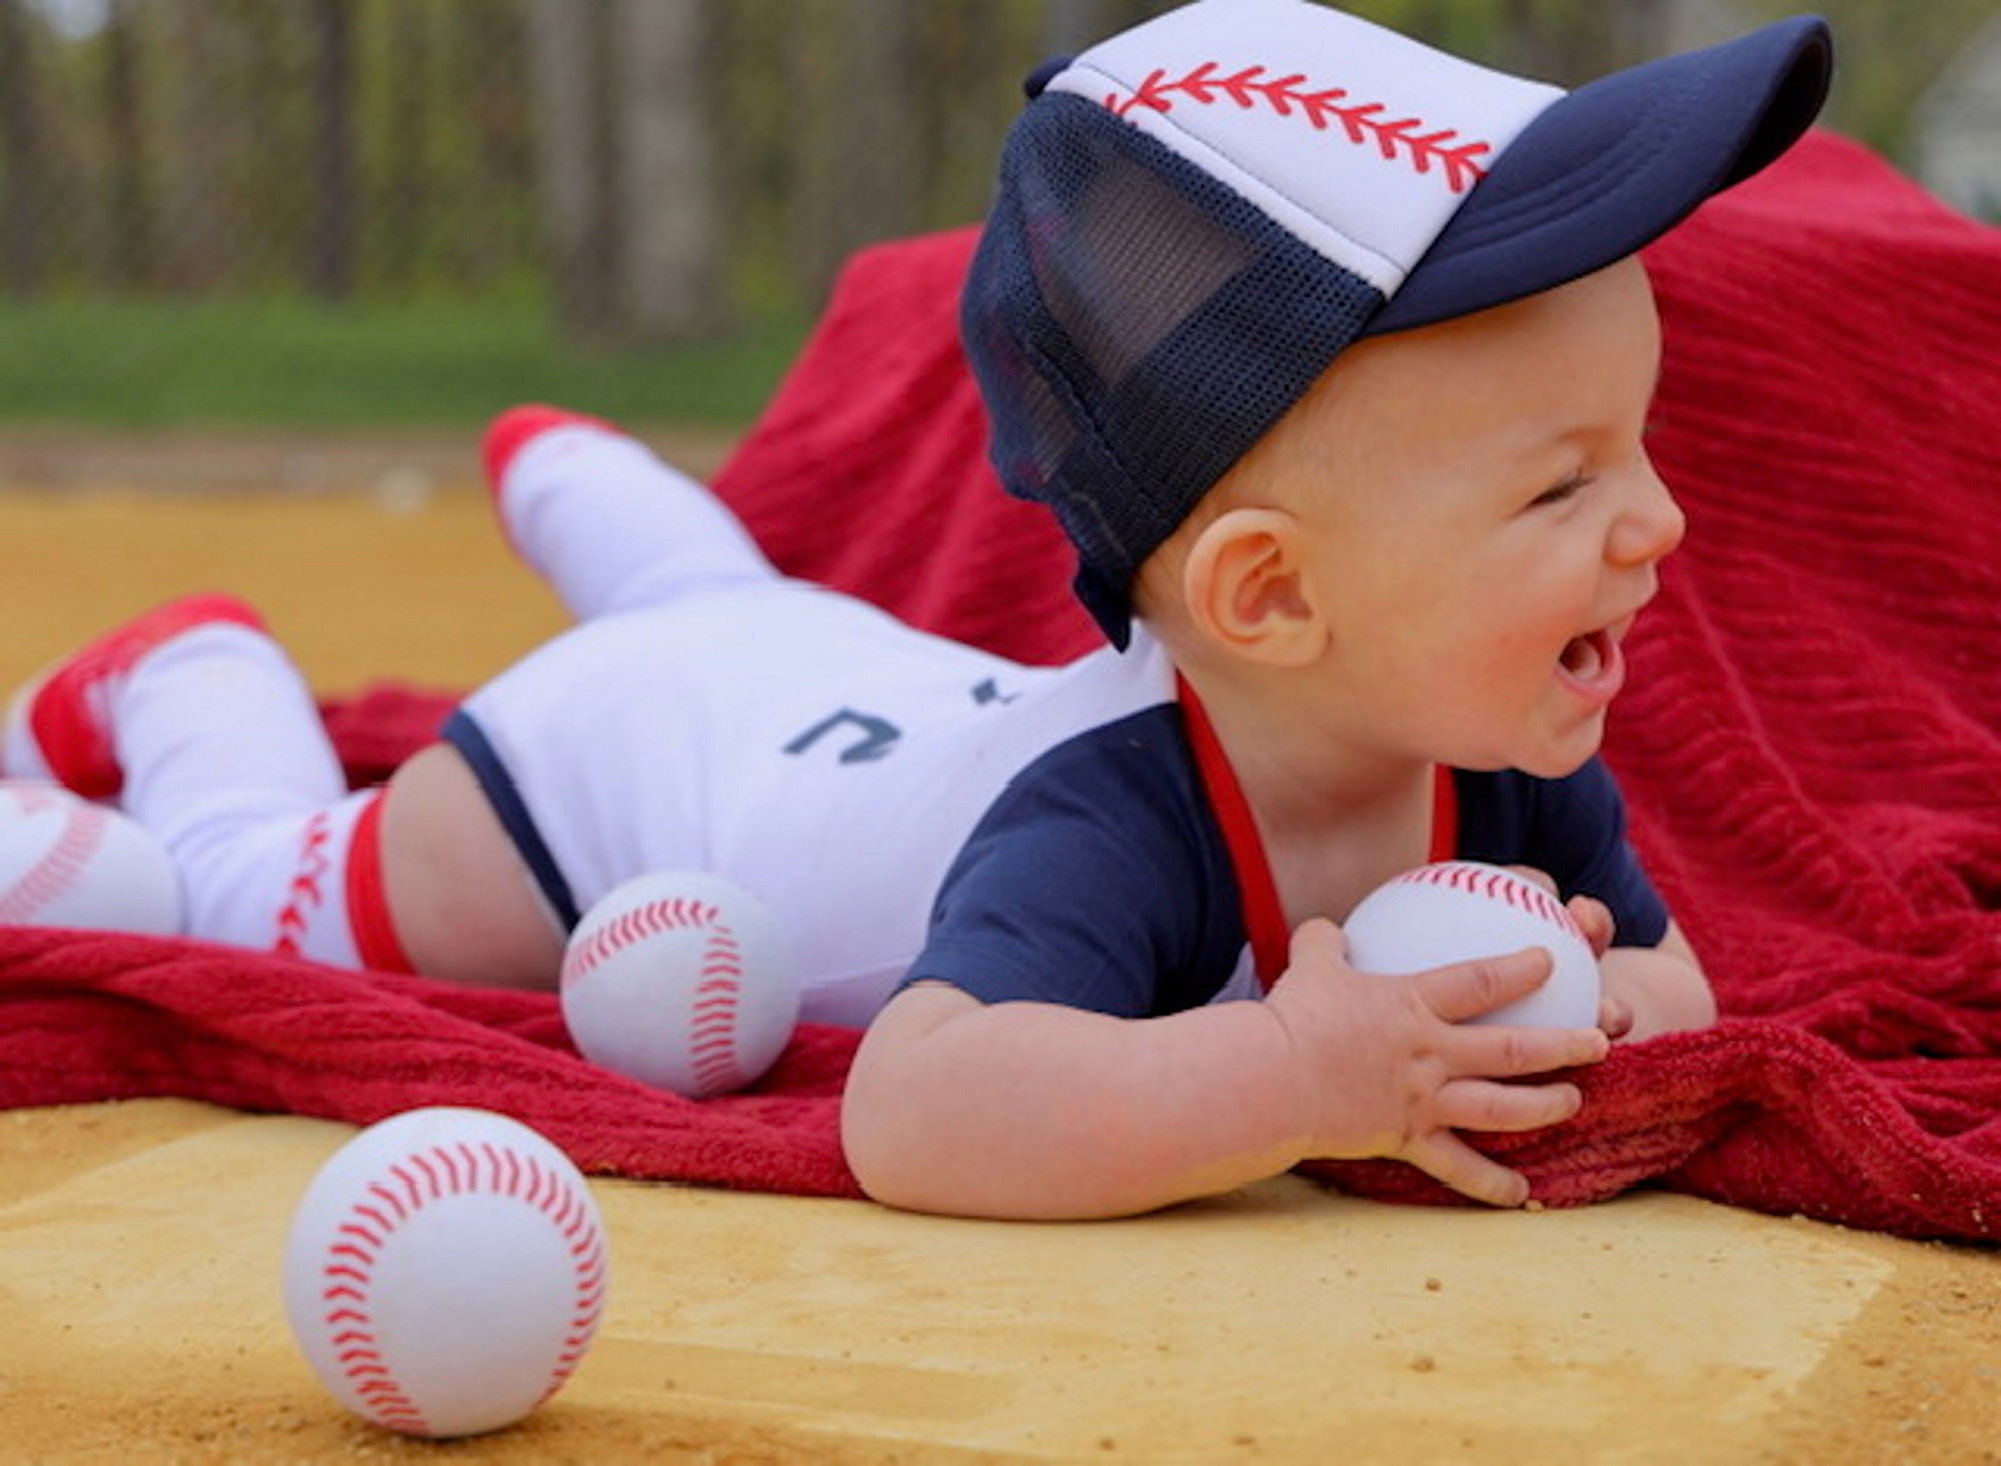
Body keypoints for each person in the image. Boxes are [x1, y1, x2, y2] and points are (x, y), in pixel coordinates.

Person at [1, 1, 1831, 1220]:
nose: (1657, 519)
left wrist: (1598, 1005)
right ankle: (189, 677)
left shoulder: (1494, 743)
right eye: (1561, 484)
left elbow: (1663, 980)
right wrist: (1287, 1070)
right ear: (1264, 594)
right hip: (623, 765)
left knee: (751, 615)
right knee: (264, 901)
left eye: (1636, 448)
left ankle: (649, 535)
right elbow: (917, 1106)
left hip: (822, 672)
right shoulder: (1119, 810)